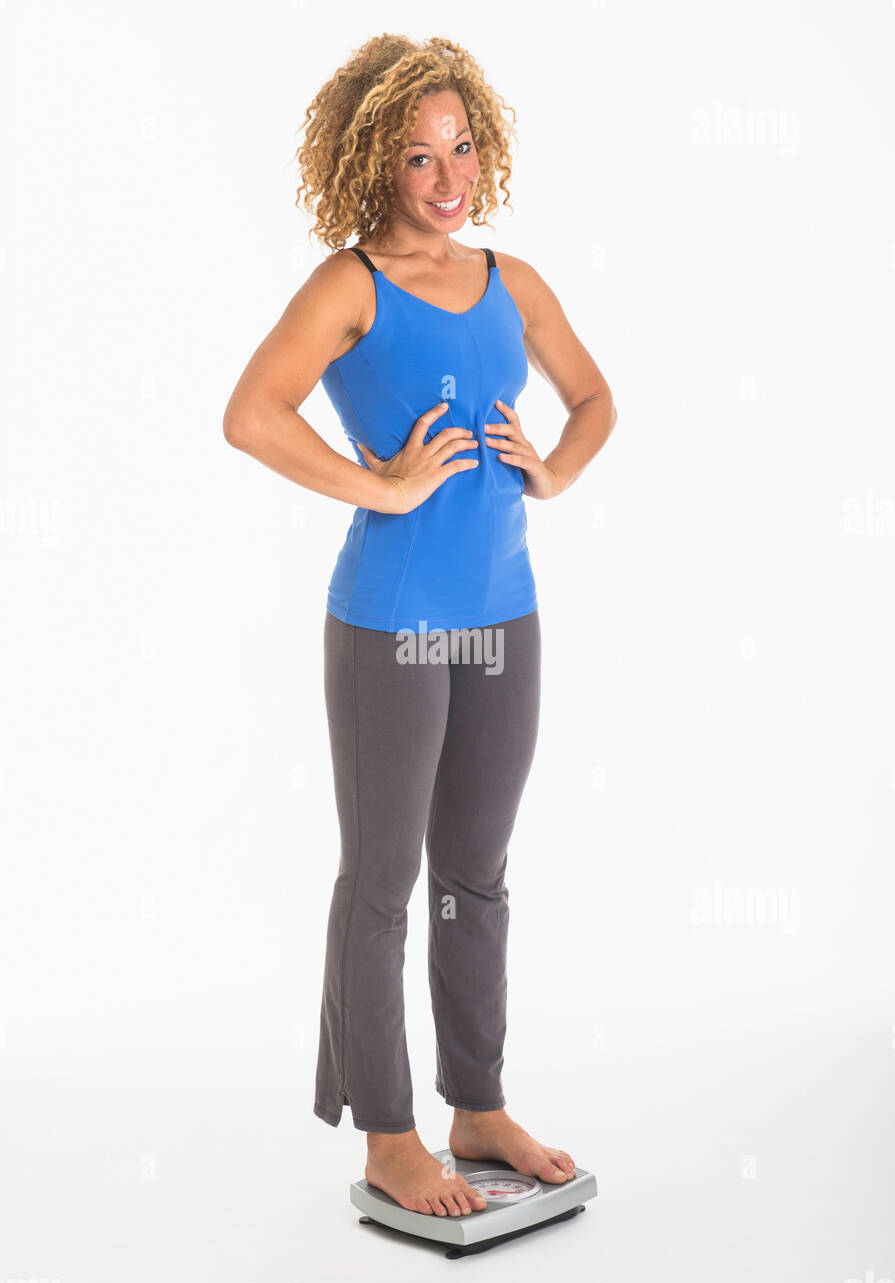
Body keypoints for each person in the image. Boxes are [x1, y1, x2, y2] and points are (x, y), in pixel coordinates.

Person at [223, 34, 617, 1220]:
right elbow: (250, 414)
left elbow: (596, 398)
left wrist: (550, 470)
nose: (448, 176)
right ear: (372, 166)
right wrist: (380, 483)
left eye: (461, 146)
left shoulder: (514, 279)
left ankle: (477, 1102)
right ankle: (388, 1135)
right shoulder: (350, 285)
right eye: (416, 156)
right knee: (385, 880)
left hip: (505, 616)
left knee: (476, 875)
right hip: (391, 627)